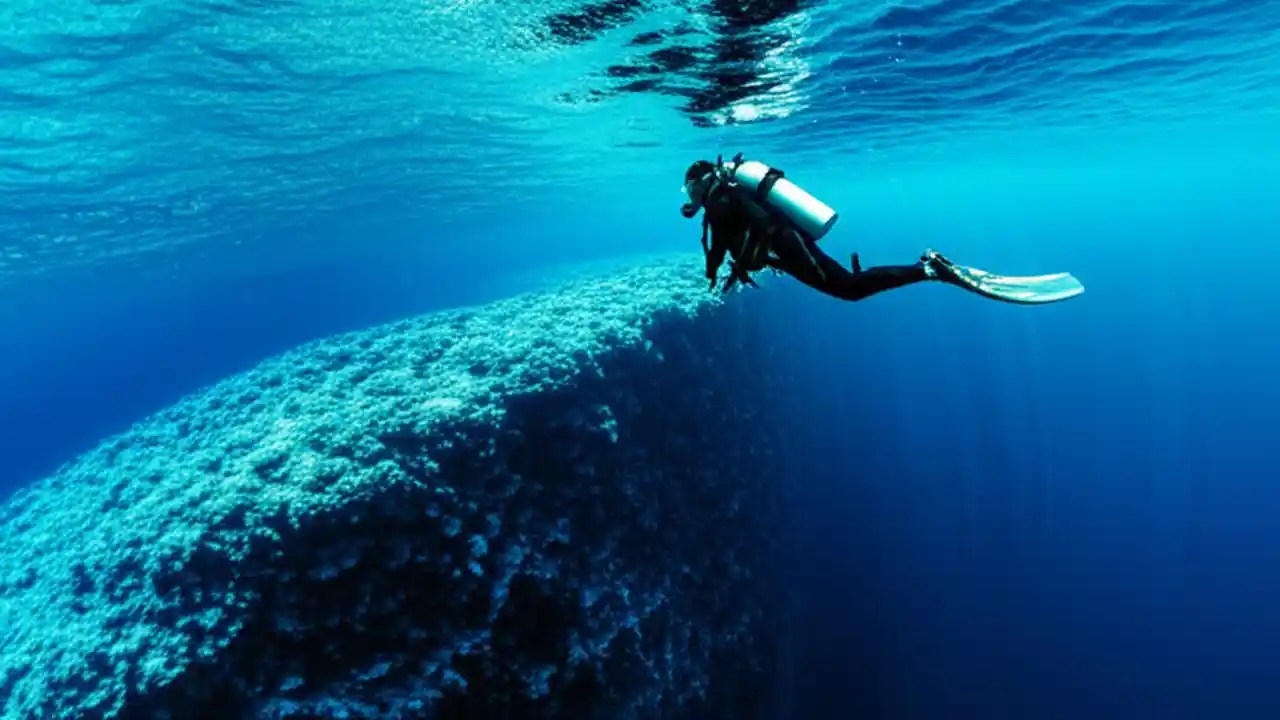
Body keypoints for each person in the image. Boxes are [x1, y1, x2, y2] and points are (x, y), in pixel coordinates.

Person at [679, 154, 1084, 304]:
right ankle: (926, 270)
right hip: (786, 245)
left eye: (689, 189)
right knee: (848, 287)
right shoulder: (726, 193)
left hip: (787, 245)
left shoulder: (717, 199)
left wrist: (711, 275)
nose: (690, 197)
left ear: (699, 183)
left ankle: (930, 269)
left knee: (849, 290)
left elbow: (716, 246)